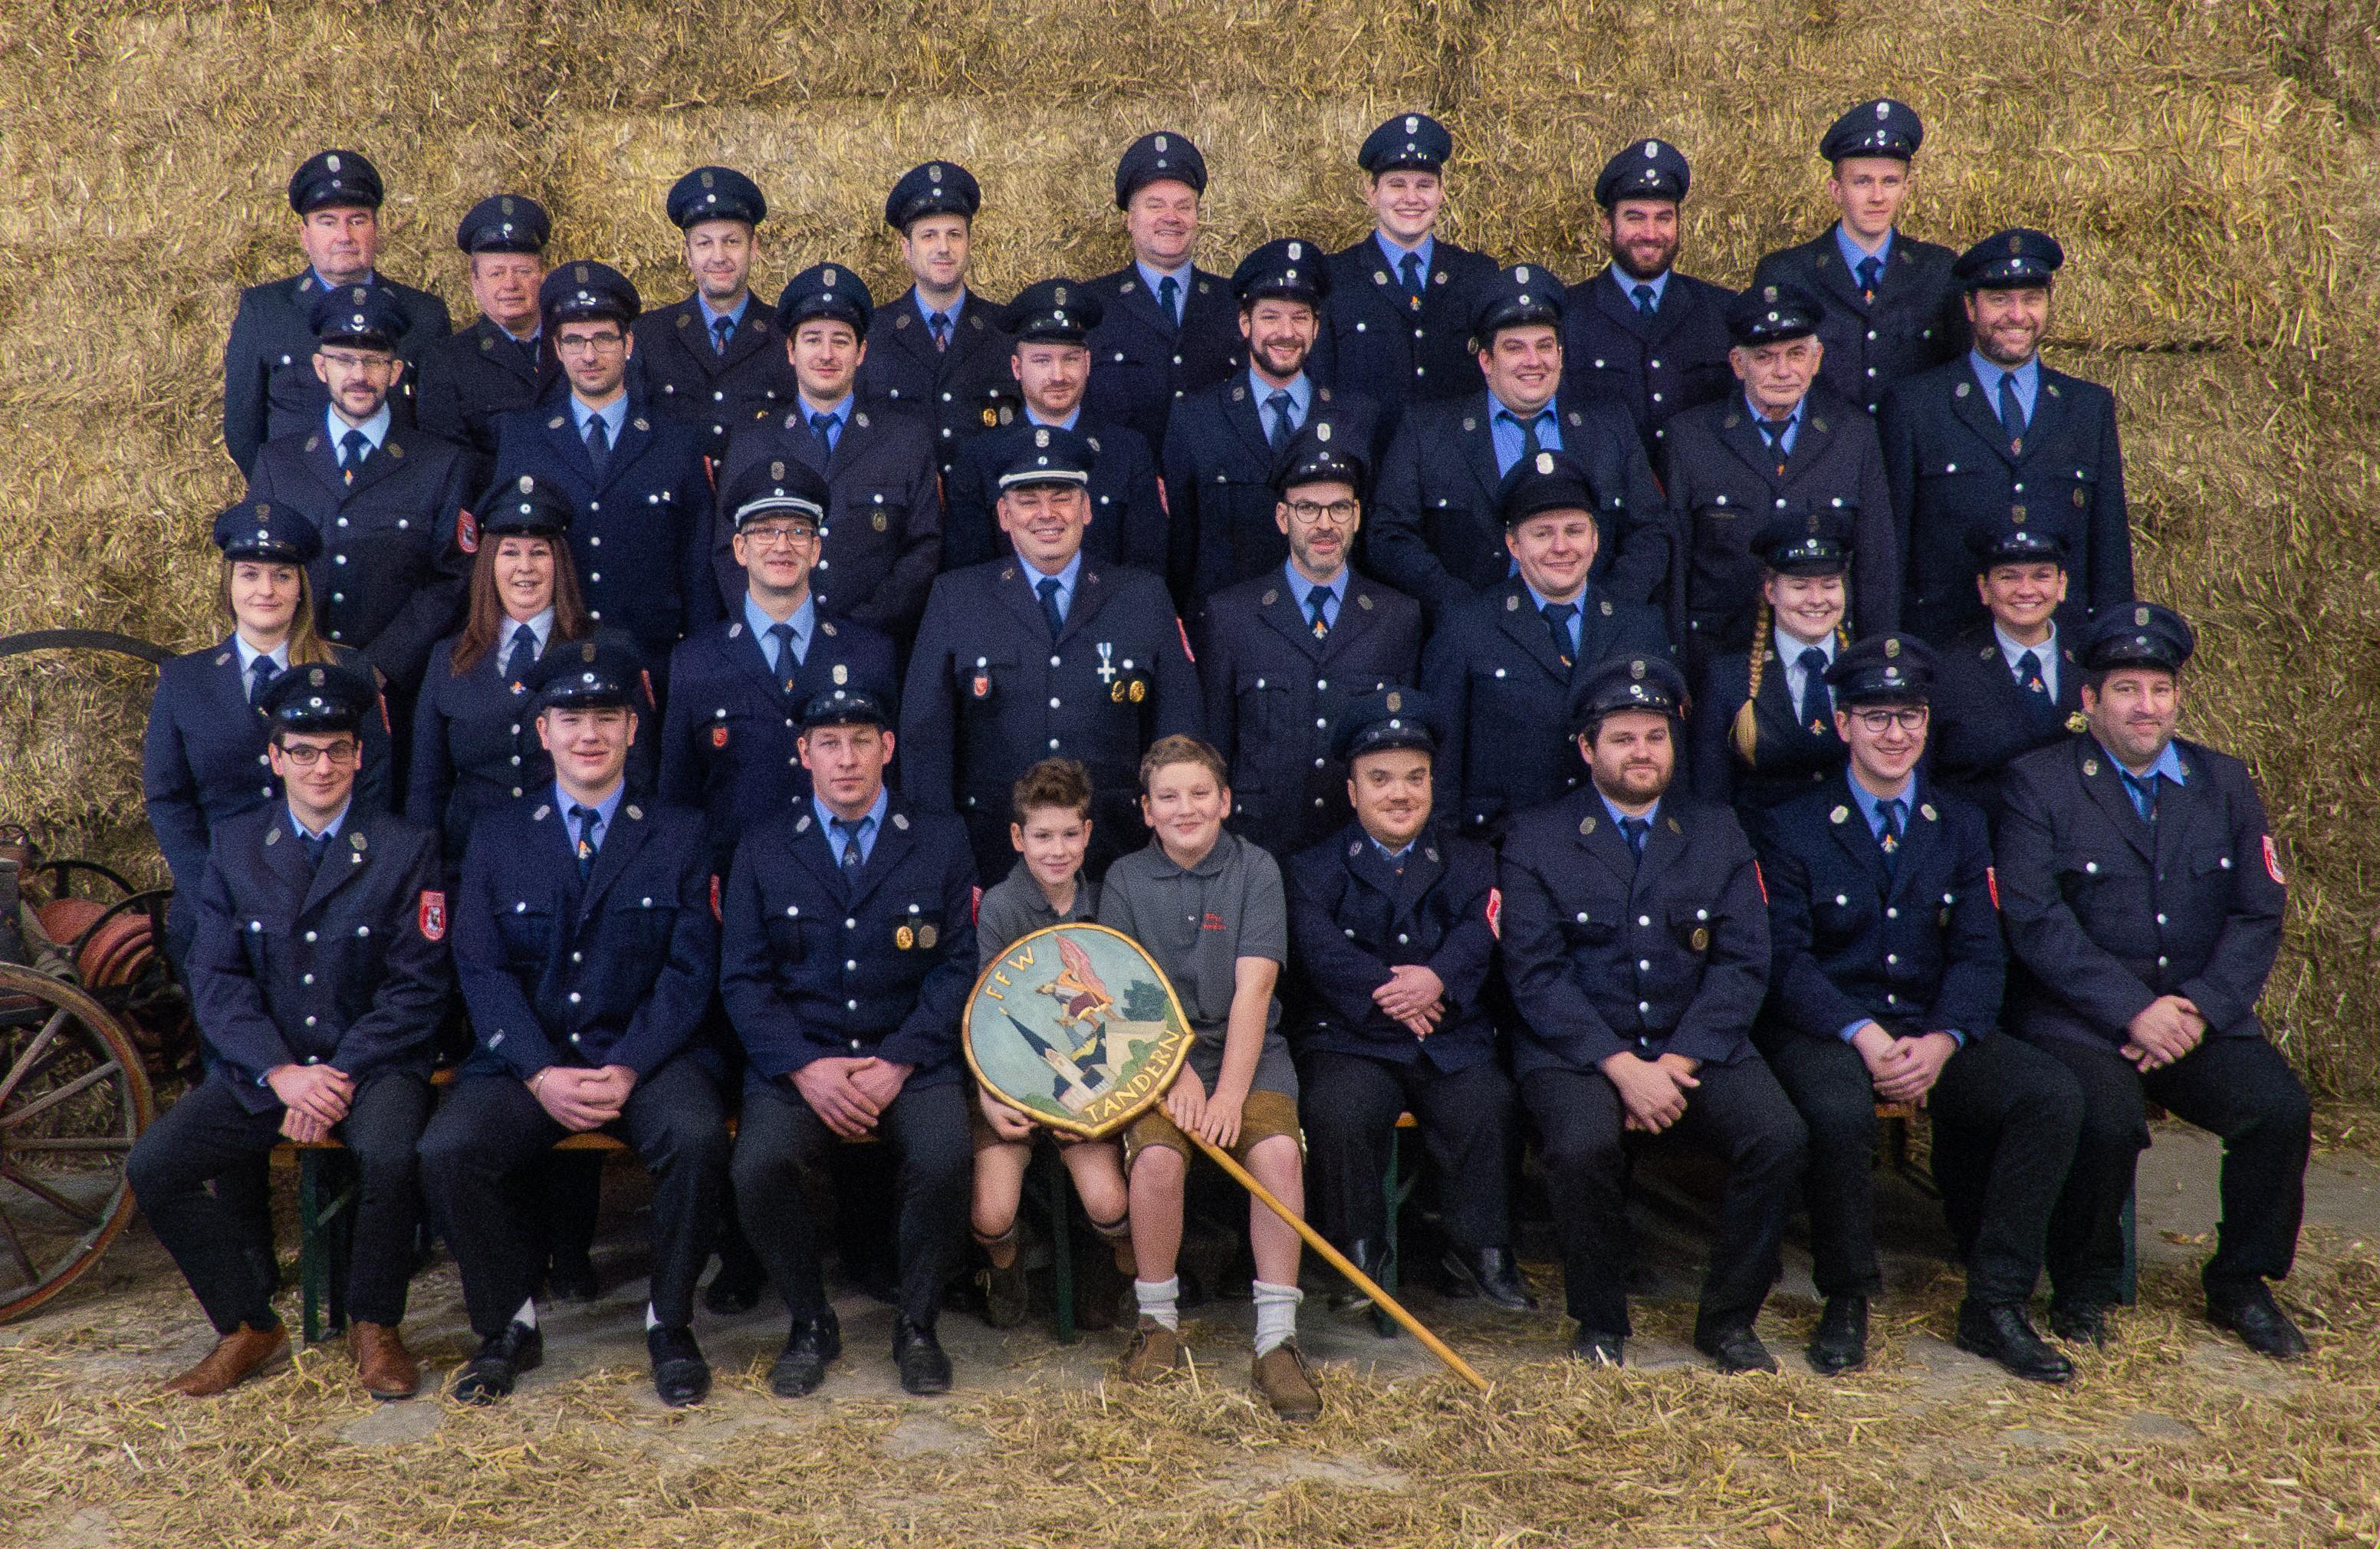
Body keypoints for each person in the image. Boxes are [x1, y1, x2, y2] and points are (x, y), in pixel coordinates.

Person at [1750, 634, 2085, 1383]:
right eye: (1874, 718)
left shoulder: (1960, 824)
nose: (1892, 733)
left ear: (1926, 724)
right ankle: (1846, 1295)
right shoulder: (1791, 822)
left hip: (1931, 1026)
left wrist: (1942, 1039)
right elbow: (1785, 958)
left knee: (2050, 1095)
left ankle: (1995, 1302)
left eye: (1906, 717)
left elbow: (1978, 951)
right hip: (1831, 1026)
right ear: (1842, 726)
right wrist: (1863, 1036)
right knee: (1836, 1113)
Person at [419, 637, 730, 1407]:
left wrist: (627, 1066)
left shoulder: (680, 830)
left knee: (695, 1137)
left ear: (632, 728)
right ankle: (508, 1324)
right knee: (447, 1148)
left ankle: (668, 1319)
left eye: (605, 715)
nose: (587, 732)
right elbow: (482, 969)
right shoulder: (496, 833)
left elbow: (691, 970)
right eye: (570, 716)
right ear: (542, 731)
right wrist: (537, 1070)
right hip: (533, 1062)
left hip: (647, 1059)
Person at [1997, 603, 2311, 1360]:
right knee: (2101, 1118)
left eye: (2158, 689)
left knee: (2277, 1108)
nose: (2145, 706)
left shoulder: (2224, 782)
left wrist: (2197, 1008)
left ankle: (2240, 1281)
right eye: (2125, 689)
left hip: (2195, 1016)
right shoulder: (2037, 783)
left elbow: (2256, 910)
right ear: (2087, 702)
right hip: (2083, 1018)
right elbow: (2035, 918)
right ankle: (2083, 1282)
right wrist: (2131, 1010)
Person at [128, 663, 447, 1401]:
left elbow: (417, 987)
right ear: (274, 758)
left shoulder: (404, 847)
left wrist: (336, 1075)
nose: (321, 766)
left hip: (373, 1064)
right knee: (154, 1166)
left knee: (393, 1152)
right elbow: (216, 980)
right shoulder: (235, 847)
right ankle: (246, 1325)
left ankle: (376, 1324)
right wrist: (281, 1072)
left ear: (361, 755)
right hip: (267, 1069)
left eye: (337, 748)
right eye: (302, 750)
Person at [1497, 654, 1806, 1371]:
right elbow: (1536, 974)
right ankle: (1601, 1321)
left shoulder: (1717, 830)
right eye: (1624, 738)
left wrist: (1672, 1063)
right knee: (1579, 1146)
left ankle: (1728, 1321)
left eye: (1656, 736)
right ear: (1587, 748)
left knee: (1780, 1136)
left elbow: (1742, 962)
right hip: (1580, 1047)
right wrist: (1622, 1069)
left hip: (1691, 1042)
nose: (1642, 752)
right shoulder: (1538, 838)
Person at [718, 686, 978, 1397]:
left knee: (946, 1156)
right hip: (804, 1059)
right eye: (828, 743)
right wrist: (804, 1069)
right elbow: (742, 978)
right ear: (802, 754)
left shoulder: (941, 837)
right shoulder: (765, 846)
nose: (846, 759)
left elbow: (958, 965)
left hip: (909, 1055)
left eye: (862, 740)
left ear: (888, 748)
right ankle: (809, 1321)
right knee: (758, 1167)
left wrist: (900, 1059)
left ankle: (918, 1325)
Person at [1282, 689, 1533, 1312]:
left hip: (1447, 1032)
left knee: (1489, 1102)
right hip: (1353, 1036)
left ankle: (1479, 1249)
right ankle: (1357, 1251)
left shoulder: (1473, 860)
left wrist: (1437, 979)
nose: (1400, 793)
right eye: (1381, 779)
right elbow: (1320, 952)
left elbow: (1483, 930)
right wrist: (1396, 993)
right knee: (1339, 1110)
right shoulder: (1312, 869)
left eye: (1415, 778)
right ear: (1352, 791)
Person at [1099, 736, 1320, 1422]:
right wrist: (1170, 1077)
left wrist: (1228, 1092)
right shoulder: (1125, 880)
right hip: (1157, 1057)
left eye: (1200, 793)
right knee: (1159, 1161)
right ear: (1147, 810)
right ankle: (1157, 1321)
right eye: (1168, 796)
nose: (1185, 807)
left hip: (1248, 1056)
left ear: (1225, 800)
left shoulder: (1256, 870)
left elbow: (1254, 992)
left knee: (1278, 1155)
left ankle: (1277, 1340)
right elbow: (1120, 989)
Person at [901, 426, 1202, 881]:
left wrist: (1164, 860)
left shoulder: (1143, 597)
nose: (1047, 514)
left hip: (1118, 864)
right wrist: (945, 866)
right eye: (1027, 500)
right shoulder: (955, 599)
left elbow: (1179, 739)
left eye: (1062, 496)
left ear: (1086, 508)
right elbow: (925, 743)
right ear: (1003, 514)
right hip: (992, 862)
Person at [144, 499, 393, 969]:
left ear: (302, 588)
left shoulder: (347, 671)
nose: (266, 590)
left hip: (330, 898)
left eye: (282, 576)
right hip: (219, 906)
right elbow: (168, 799)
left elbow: (375, 785)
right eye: (250, 574)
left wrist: (341, 881)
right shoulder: (184, 680)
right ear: (229, 585)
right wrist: (212, 887)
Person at [243, 283, 474, 769]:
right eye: (345, 360)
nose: (359, 376)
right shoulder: (277, 464)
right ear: (320, 367)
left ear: (394, 371)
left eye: (373, 363)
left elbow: (452, 578)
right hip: (297, 685)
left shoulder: (440, 463)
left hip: (398, 694)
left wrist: (380, 665)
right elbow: (255, 571)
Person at [1370, 266, 1670, 623]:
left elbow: (1651, 531)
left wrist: (1606, 609)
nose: (1533, 361)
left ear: (1560, 353)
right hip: (1475, 640)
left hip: (1591, 636)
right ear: (1486, 360)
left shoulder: (1609, 427)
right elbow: (1389, 535)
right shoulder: (1427, 431)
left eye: (1544, 346)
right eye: (1515, 348)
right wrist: (1464, 611)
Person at [1880, 229, 2133, 644]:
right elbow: (1889, 553)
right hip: (1946, 648)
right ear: (1969, 306)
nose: (2017, 315)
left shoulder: (2087, 407)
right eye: (2000, 300)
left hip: (2063, 651)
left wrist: (2111, 652)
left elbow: (2110, 554)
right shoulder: (1914, 405)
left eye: (2031, 299)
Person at [406, 476, 659, 876]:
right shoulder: (448, 658)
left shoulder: (608, 652)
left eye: (539, 553)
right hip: (473, 868)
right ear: (490, 564)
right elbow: (426, 790)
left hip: (583, 865)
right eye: (510, 553)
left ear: (559, 563)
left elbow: (640, 775)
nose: (525, 568)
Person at [1194, 423, 1422, 857]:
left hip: (1355, 851)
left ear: (1356, 515)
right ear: (1282, 518)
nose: (1324, 525)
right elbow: (1214, 750)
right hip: (1257, 850)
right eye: (1307, 509)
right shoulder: (1231, 615)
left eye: (1338, 509)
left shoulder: (1398, 617)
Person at [661, 455, 897, 873]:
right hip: (734, 881)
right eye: (765, 531)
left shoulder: (869, 654)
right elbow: (679, 800)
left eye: (798, 531)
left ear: (817, 547)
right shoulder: (695, 662)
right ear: (739, 548)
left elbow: (894, 785)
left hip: (847, 879)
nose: (782, 545)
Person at [488, 262, 718, 691]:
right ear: (556, 348)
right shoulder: (522, 438)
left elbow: (697, 569)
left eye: (603, 339)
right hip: (551, 664)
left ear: (629, 343)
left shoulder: (677, 442)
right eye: (574, 341)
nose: (589, 356)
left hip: (652, 665)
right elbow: (499, 557)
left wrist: (699, 670)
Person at [1420, 450, 1670, 842]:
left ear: (1595, 539)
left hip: (1615, 857)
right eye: (1542, 533)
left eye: (1574, 530)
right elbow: (1442, 772)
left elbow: (1668, 762)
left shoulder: (1640, 627)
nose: (1560, 547)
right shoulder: (1466, 628)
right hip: (1501, 852)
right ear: (1513, 544)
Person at [965, 758, 1135, 1327]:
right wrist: (994, 1096)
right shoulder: (1000, 907)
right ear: (1018, 838)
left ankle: (1117, 1267)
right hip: (1011, 1077)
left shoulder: (1110, 901)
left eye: (1069, 834)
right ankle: (1004, 1264)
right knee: (993, 1212)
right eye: (1041, 836)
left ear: (1088, 834)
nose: (1056, 849)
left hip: (1086, 1082)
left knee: (1111, 1202)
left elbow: (1121, 1012)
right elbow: (988, 1018)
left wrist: (1098, 1095)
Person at [1660, 281, 1897, 657]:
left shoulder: (1854, 434)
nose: (1783, 371)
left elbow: (1876, 565)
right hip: (1722, 657)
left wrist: (1875, 662)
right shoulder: (1690, 438)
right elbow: (1674, 572)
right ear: (1738, 364)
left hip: (1828, 654)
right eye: (1765, 357)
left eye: (1796, 354)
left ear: (1817, 358)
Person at [712, 264, 943, 644]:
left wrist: (861, 631)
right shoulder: (753, 441)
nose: (826, 354)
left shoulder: (905, 439)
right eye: (812, 339)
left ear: (861, 352)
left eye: (841, 340)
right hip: (777, 646)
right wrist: (776, 628)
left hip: (876, 646)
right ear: (790, 350)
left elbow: (923, 550)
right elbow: (727, 549)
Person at [1161, 238, 1379, 605]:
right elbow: (1180, 550)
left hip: (1327, 627)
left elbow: (1367, 547)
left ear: (1316, 328)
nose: (1286, 333)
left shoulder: (1356, 419)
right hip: (1226, 633)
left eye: (1299, 318)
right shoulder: (1195, 419)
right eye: (1270, 317)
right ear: (1245, 323)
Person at [223, 150, 450, 476]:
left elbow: (438, 429)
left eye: (357, 220)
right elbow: (243, 431)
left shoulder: (424, 315)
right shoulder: (265, 311)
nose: (344, 236)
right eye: (327, 222)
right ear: (304, 235)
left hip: (399, 502)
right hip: (299, 503)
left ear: (377, 229)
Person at [1749, 100, 1964, 416]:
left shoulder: (1939, 271)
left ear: (1907, 188)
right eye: (1862, 181)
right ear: (1836, 190)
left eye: (1889, 181)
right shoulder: (1787, 274)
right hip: (1823, 458)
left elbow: (1958, 378)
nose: (1877, 196)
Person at [943, 278, 1167, 574]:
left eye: (1070, 359)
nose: (1058, 375)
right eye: (1042, 360)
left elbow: (1146, 571)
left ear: (1088, 362)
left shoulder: (1127, 452)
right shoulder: (978, 458)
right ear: (1016, 368)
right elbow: (968, 577)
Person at [1316, 112, 1499, 424]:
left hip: (1456, 466)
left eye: (1425, 185)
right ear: (1371, 193)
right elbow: (1320, 390)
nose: (1411, 198)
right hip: (1369, 465)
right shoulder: (1335, 278)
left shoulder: (1477, 276)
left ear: (1442, 192)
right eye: (1397, 185)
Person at [1560, 138, 1734, 460]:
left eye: (1663, 218)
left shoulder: (1722, 312)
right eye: (1635, 217)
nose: (1651, 233)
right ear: (1606, 225)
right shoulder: (1568, 315)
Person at [1081, 132, 1243, 459]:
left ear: (1198, 218)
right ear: (1129, 218)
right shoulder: (1091, 307)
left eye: (1184, 206)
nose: (1172, 217)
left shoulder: (1235, 302)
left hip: (1214, 492)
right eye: (1155, 205)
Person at [856, 160, 1021, 474]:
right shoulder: (872, 335)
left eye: (954, 234)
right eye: (929, 236)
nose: (943, 248)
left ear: (969, 244)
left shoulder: (1007, 332)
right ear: (906, 248)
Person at [1688, 510, 1854, 814]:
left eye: (1829, 584)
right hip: (1762, 849)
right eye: (1800, 586)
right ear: (1771, 591)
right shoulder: (1729, 679)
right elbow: (1710, 797)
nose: (1817, 599)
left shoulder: (1865, 670)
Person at [1926, 518, 2086, 823]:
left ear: (2062, 585)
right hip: (1986, 845)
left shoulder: (2093, 663)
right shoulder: (1948, 672)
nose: (2026, 590)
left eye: (2041, 576)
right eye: (2009, 577)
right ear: (1984, 588)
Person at [632, 166, 797, 462]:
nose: (719, 257)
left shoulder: (786, 335)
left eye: (732, 241)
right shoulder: (649, 335)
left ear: (754, 248)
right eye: (705, 243)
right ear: (688, 252)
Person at [413, 194, 561, 492]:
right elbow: (449, 461)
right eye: (496, 273)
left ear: (543, 276)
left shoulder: (576, 346)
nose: (510, 285)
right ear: (475, 282)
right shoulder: (447, 361)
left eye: (523, 271)